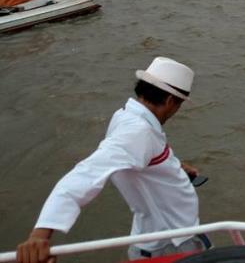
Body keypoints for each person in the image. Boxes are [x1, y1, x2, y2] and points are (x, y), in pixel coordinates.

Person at [16, 57, 208, 263]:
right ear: (171, 101)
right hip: (169, 242)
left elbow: (145, 157)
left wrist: (175, 166)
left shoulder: (128, 116)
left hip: (171, 234)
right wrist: (39, 235)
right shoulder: (137, 132)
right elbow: (85, 175)